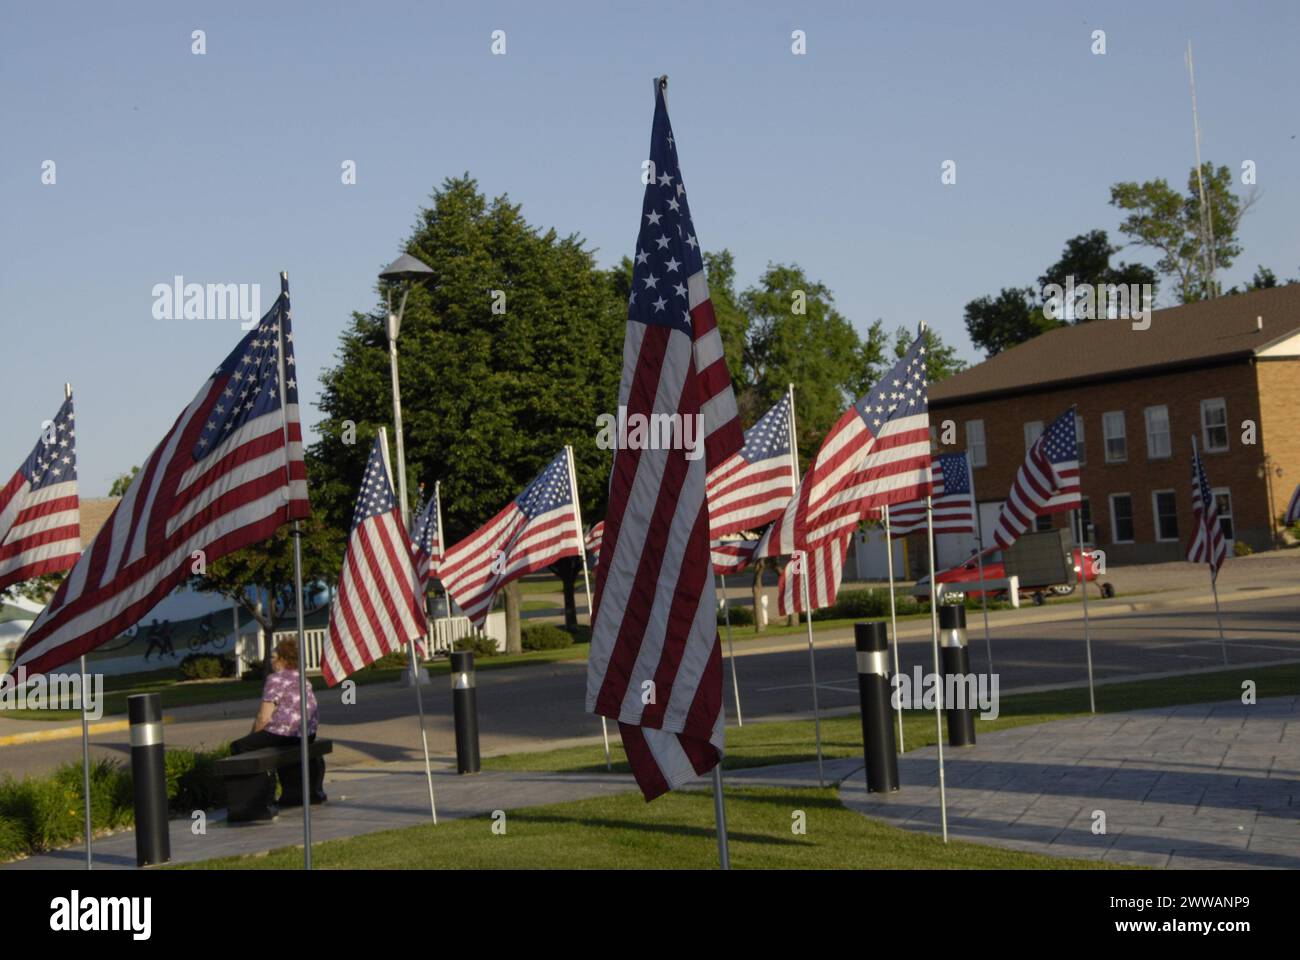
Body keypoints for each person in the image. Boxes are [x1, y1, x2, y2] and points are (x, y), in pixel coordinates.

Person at [229, 639, 326, 819]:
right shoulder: (302, 677)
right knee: (275, 749)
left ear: (283, 659)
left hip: (284, 733)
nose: (271, 661)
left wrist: (252, 735)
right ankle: (297, 794)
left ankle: (254, 803)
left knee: (239, 747)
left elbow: (263, 718)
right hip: (307, 734)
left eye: (273, 657)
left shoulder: (275, 679)